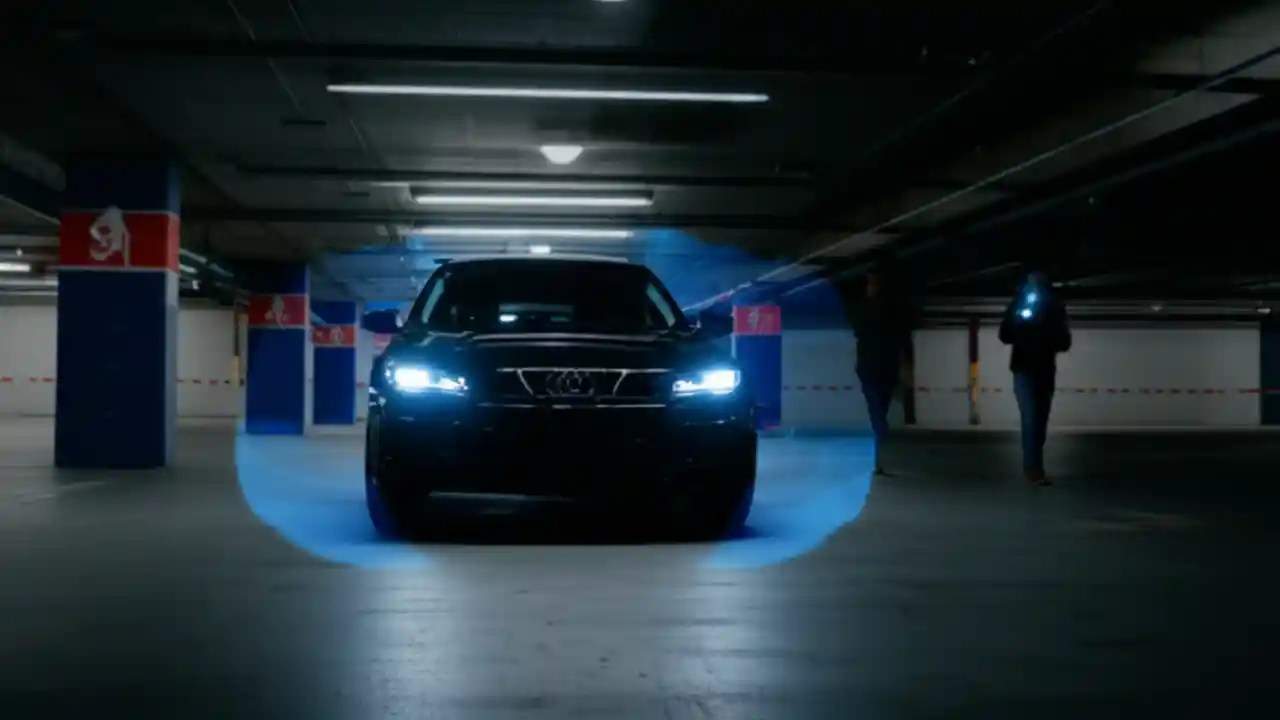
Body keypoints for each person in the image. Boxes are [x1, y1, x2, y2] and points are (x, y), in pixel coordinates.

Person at [999, 271, 1071, 485]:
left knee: (1035, 419)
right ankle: (1033, 469)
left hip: (1033, 369)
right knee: (1034, 418)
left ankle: (1033, 467)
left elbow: (1063, 341)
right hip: (1034, 370)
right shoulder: (1047, 307)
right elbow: (1005, 334)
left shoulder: (1046, 307)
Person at [848, 266, 915, 475]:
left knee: (876, 411)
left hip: (874, 366)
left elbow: (859, 332)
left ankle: (875, 454)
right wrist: (906, 366)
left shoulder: (868, 310)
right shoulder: (890, 311)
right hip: (880, 366)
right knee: (878, 411)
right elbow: (904, 340)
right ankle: (876, 454)